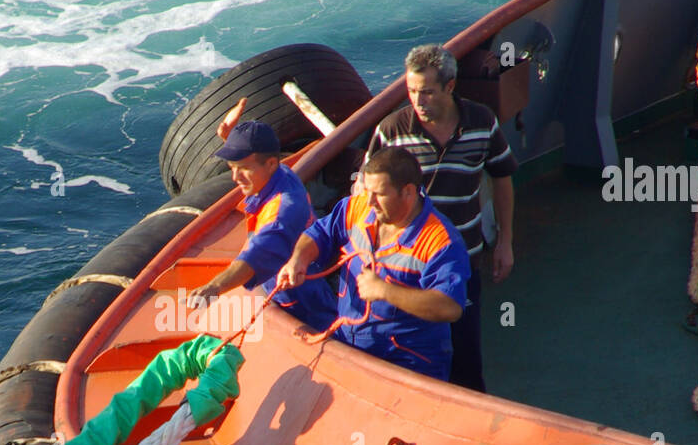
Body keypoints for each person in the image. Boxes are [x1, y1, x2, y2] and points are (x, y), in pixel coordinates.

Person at [363, 44, 515, 391]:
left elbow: (503, 178)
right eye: (412, 91)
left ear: (450, 86)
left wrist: (505, 242)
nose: (418, 100)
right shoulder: (392, 132)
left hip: (463, 258)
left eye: (427, 92)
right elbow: (365, 195)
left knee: (465, 354)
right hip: (407, 263)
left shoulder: (482, 123)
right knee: (411, 354)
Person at [277, 147, 470, 380]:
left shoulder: (440, 241)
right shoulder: (357, 208)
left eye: (379, 194)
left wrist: (384, 291)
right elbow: (320, 232)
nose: (370, 201)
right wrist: (298, 259)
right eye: (367, 191)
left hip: (409, 365)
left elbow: (449, 307)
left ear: (408, 192)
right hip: (351, 349)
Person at [192, 118, 334, 330]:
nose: (235, 177)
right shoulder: (280, 174)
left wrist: (214, 287)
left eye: (243, 168)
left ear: (270, 164)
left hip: (301, 298)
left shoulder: (282, 212)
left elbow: (253, 258)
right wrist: (231, 139)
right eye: (231, 167)